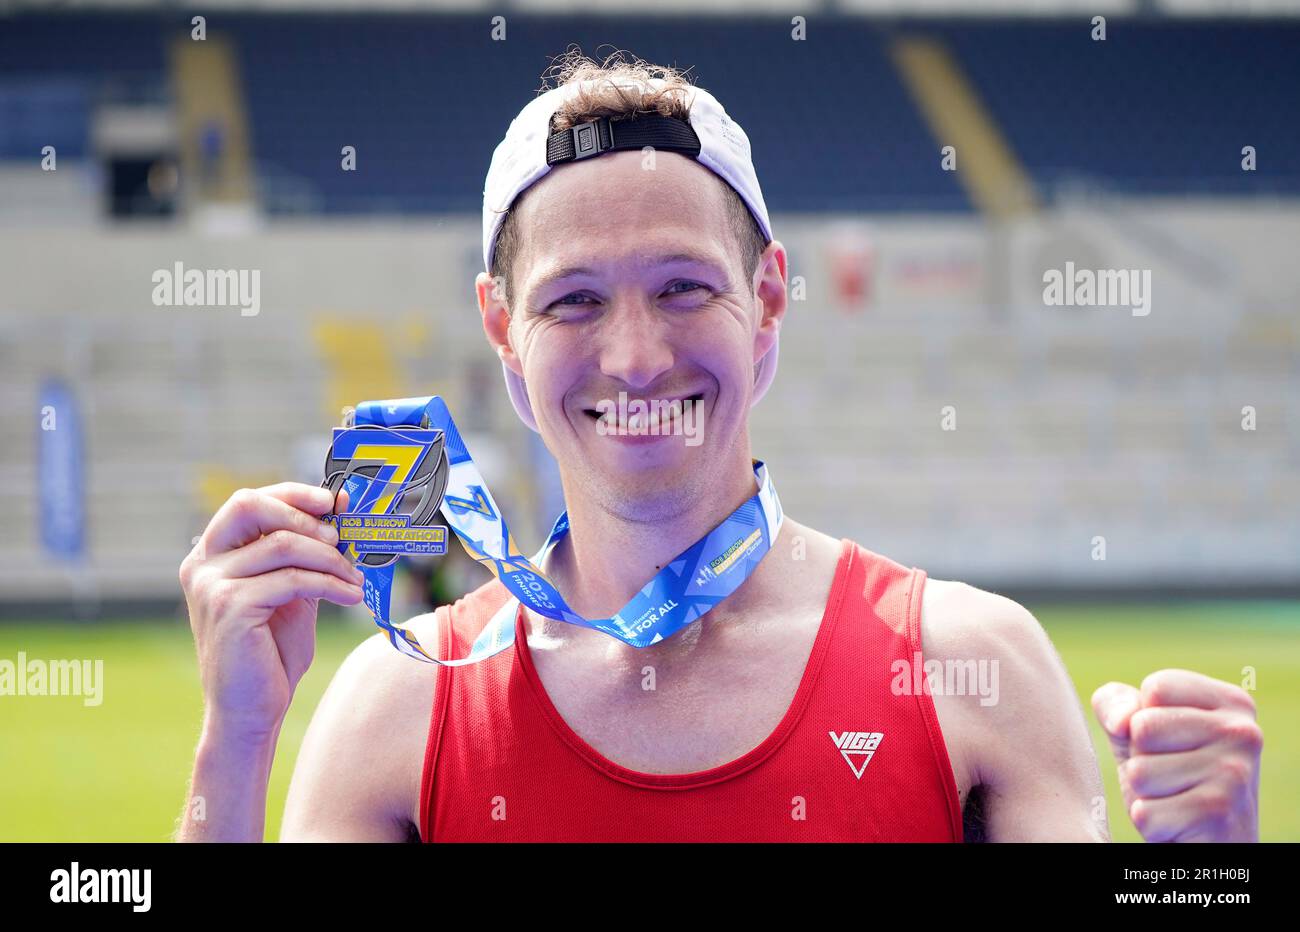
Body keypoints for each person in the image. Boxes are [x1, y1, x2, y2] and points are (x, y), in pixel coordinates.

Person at [176, 52, 1261, 842]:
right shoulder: (398, 707)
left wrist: (1209, 869)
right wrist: (231, 750)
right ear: (503, 328)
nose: (635, 356)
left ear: (769, 298)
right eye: (574, 300)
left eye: (683, 287)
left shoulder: (970, 669)